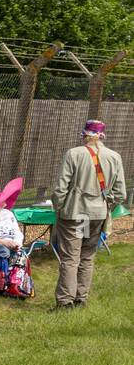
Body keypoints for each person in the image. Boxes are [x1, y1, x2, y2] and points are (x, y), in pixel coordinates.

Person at [52, 120, 127, 310]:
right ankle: (80, 299)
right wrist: (107, 204)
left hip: (76, 213)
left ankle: (65, 302)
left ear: (85, 134)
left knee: (70, 257)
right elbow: (121, 194)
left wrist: (58, 207)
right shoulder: (114, 156)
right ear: (102, 136)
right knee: (86, 256)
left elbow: (60, 188)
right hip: (96, 214)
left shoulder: (74, 154)